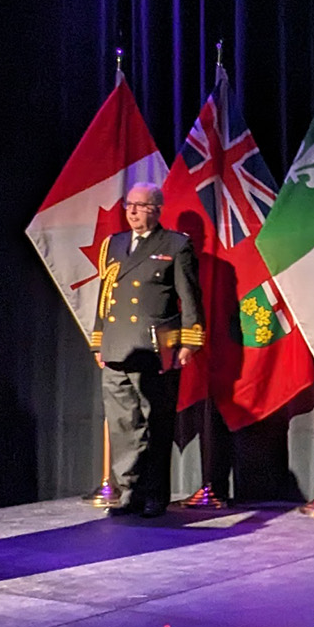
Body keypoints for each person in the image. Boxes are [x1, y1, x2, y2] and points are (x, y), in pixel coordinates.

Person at [91, 183, 202, 517]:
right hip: (116, 346)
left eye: (140, 205)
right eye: (129, 205)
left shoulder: (176, 244)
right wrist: (99, 339)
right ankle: (130, 490)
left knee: (155, 422)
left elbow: (190, 298)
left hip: (153, 347)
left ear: (157, 209)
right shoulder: (114, 244)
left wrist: (189, 341)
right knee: (123, 424)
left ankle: (155, 493)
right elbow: (104, 294)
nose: (133, 211)